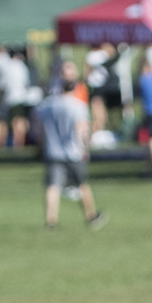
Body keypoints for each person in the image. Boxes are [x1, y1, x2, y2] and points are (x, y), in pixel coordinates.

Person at [32, 60, 107, 231]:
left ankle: (51, 220)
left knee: (53, 186)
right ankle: (91, 216)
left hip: (53, 151)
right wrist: (85, 148)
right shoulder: (78, 106)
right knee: (82, 185)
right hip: (73, 151)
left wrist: (41, 139)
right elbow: (82, 129)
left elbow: (36, 120)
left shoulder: (49, 104)